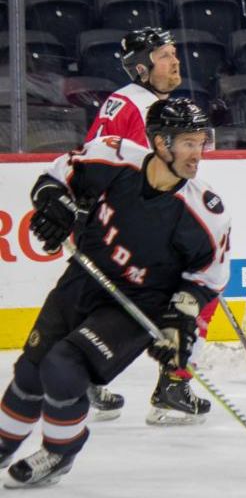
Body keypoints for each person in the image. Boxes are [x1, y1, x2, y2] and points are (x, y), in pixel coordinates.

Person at [0, 98, 230, 488]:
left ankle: (60, 452)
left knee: (62, 366)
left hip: (136, 306)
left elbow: (207, 278)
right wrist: (53, 204)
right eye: (188, 143)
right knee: (30, 371)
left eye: (201, 142)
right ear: (160, 143)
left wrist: (179, 321)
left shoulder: (204, 211)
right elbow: (54, 179)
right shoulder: (112, 158)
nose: (198, 153)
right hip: (84, 279)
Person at [82, 27, 216, 424]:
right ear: (141, 67)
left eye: (175, 53)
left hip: (127, 225)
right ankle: (172, 387)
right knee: (191, 298)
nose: (175, 61)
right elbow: (104, 162)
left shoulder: (145, 103)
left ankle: (86, 375)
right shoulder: (134, 105)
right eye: (164, 55)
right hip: (127, 227)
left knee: (128, 308)